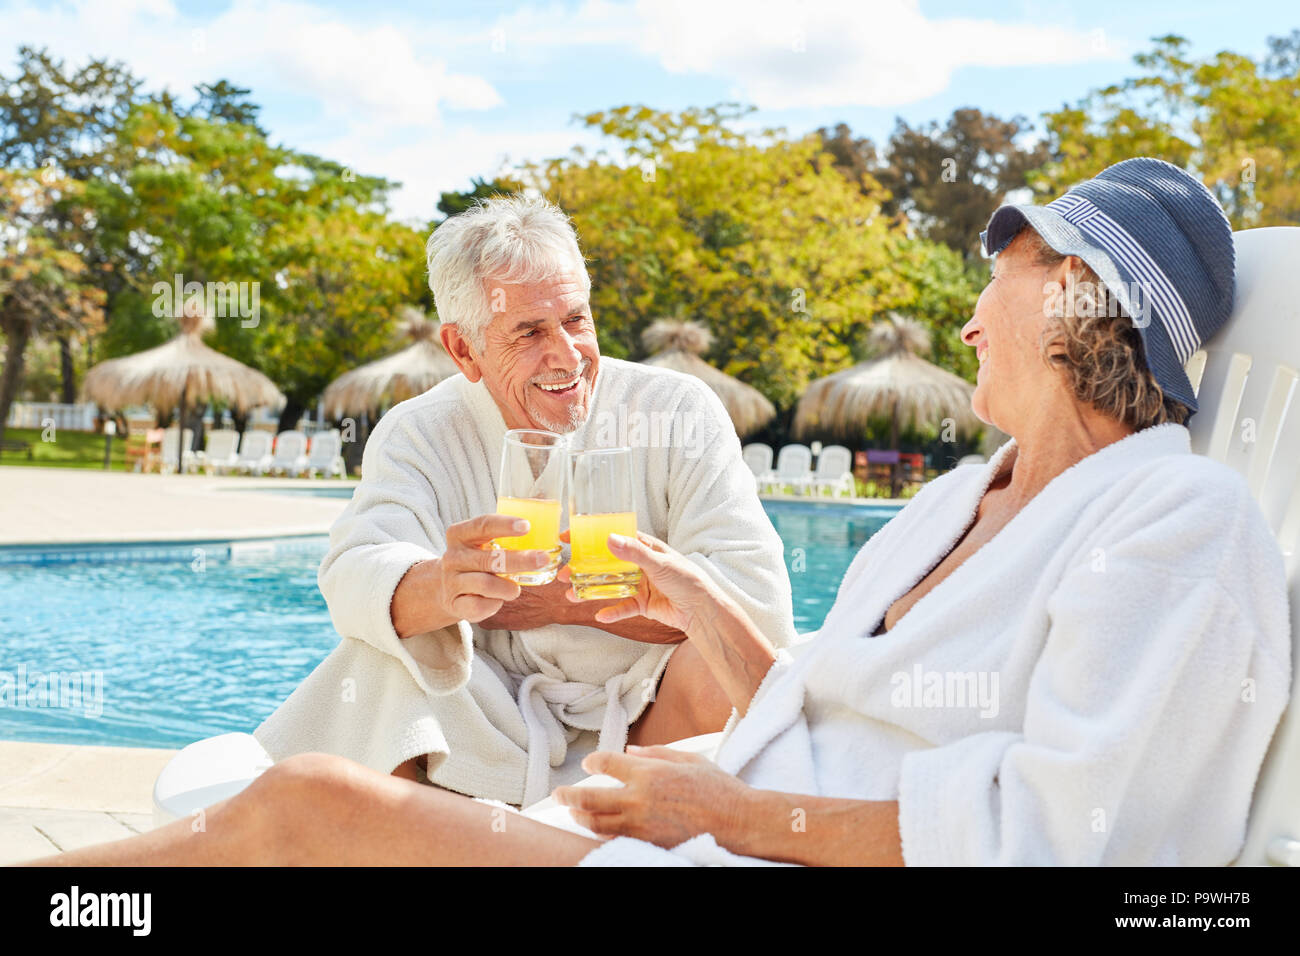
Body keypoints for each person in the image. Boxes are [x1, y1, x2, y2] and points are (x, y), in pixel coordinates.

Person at [27, 158, 1290, 867]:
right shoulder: (961, 499)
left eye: (995, 283)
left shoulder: (1177, 518)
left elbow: (1090, 841)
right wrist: (664, 620)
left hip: (741, 845)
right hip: (684, 813)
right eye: (529, 328)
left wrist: (733, 811)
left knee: (302, 808)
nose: (965, 319)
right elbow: (811, 693)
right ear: (465, 350)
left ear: (1075, 301)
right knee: (305, 809)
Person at [250, 196, 797, 809]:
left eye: (576, 319)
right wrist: (439, 584)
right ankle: (404, 839)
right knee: (379, 654)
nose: (566, 354)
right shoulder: (419, 431)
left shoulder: (677, 410)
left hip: (653, 715)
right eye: (530, 332)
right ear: (463, 350)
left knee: (723, 659)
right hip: (488, 720)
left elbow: (762, 605)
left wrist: (563, 600)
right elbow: (354, 576)